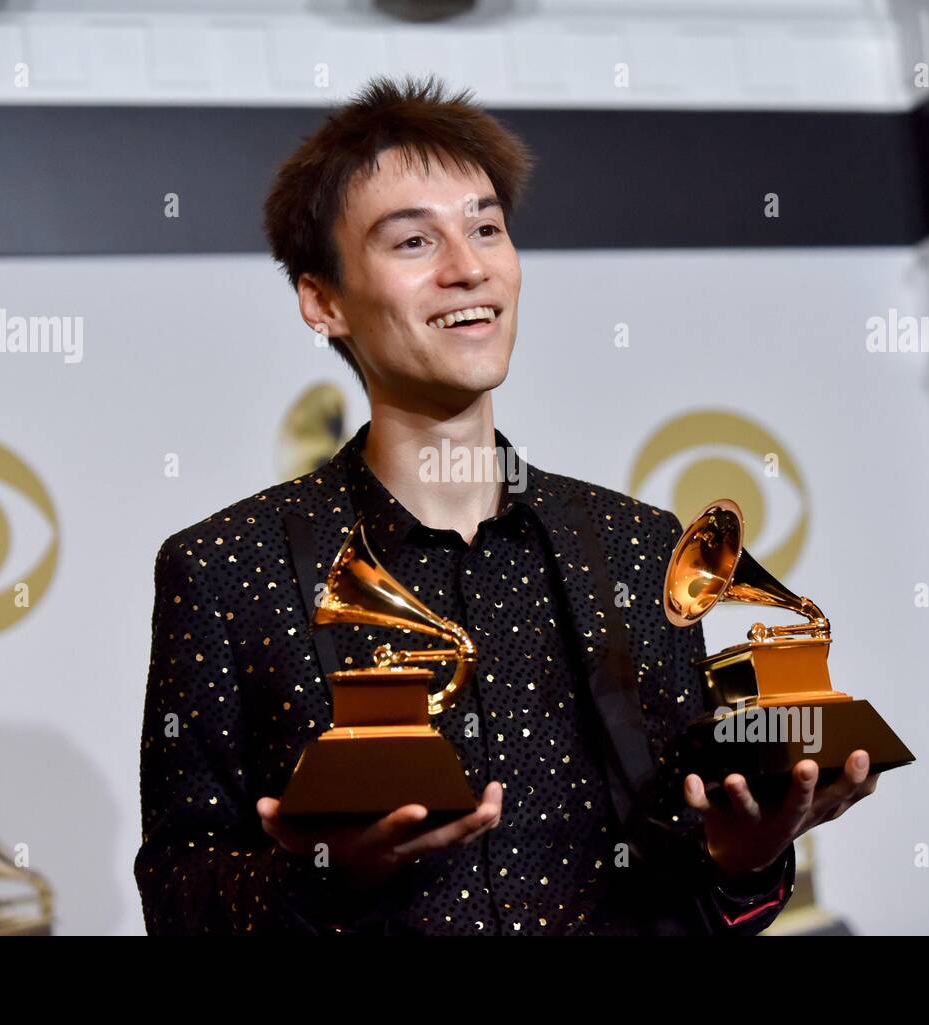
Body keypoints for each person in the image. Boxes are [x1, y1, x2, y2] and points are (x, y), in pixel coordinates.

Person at [133, 73, 878, 936]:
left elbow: (696, 895)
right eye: (414, 242)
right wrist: (328, 877)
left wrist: (742, 855)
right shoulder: (227, 567)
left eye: (486, 227)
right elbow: (180, 896)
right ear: (323, 300)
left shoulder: (640, 549)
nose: (469, 267)